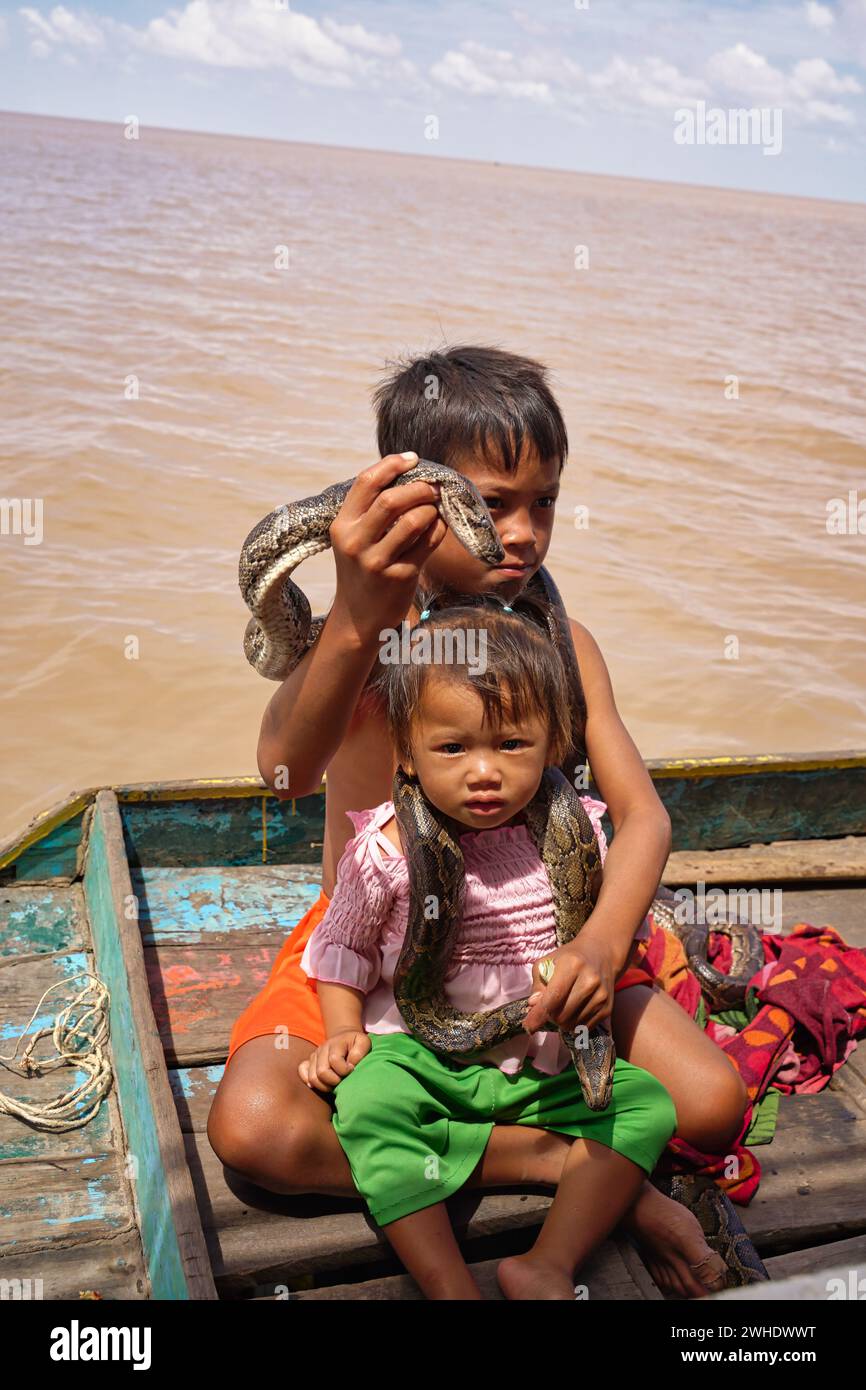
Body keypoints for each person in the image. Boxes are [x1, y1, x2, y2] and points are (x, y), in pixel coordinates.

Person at [207, 344, 747, 1298]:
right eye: (493, 506)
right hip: (371, 949)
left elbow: (643, 817)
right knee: (256, 1131)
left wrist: (600, 947)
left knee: (708, 1105)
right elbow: (284, 772)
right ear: (412, 501)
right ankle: (563, 1164)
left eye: (544, 501)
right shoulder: (378, 639)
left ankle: (508, 1146)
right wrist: (355, 612)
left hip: (535, 938)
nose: (527, 533)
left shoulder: (560, 644)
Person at [297, 596, 678, 1299]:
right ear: (405, 756)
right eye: (453, 748)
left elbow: (592, 929)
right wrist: (343, 1033)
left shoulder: (578, 831)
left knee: (649, 1103)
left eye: (511, 745)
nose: (483, 772)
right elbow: (341, 948)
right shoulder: (383, 853)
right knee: (369, 1100)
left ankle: (548, 1263)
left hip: (539, 1057)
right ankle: (449, 1285)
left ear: (554, 744)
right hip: (419, 1051)